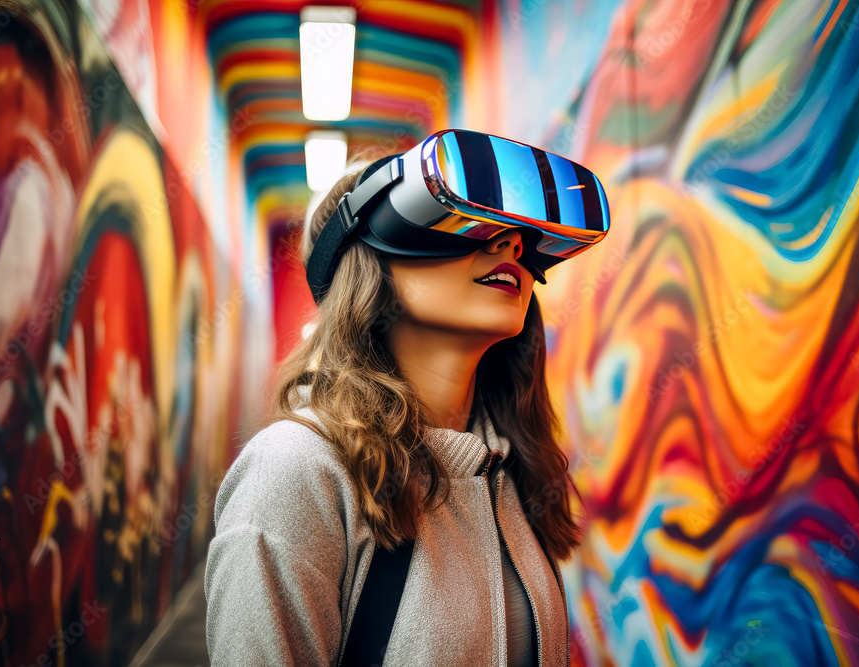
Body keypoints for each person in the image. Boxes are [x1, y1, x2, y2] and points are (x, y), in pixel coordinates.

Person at [206, 132, 608, 666]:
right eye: (456, 218)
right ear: (366, 261)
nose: (512, 244)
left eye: (518, 232)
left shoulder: (509, 471)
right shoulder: (295, 472)